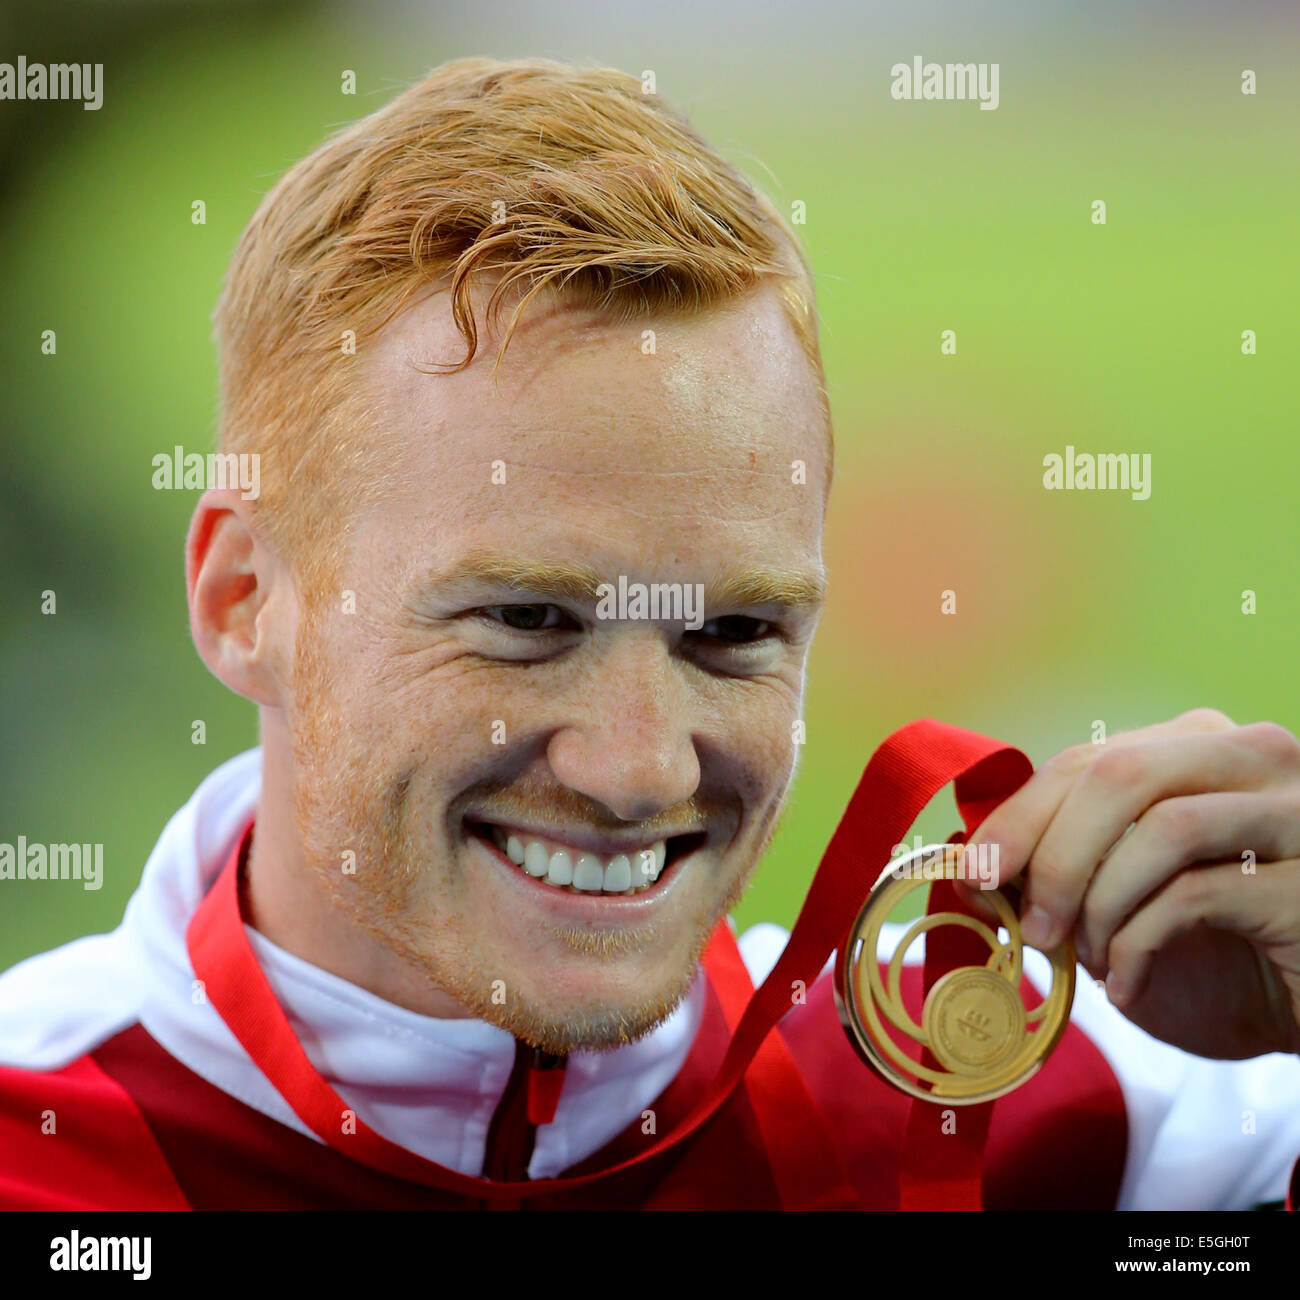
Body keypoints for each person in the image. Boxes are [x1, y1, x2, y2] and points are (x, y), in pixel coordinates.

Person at [1, 57, 1297, 1210]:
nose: (640, 770)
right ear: (242, 601)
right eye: (525, 620)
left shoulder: (1067, 1123)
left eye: (733, 632)